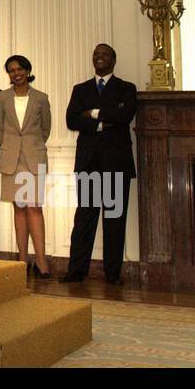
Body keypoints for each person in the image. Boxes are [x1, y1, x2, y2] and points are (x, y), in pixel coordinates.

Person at [62, 43, 138, 285]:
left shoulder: (126, 88)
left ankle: (112, 274)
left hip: (117, 164)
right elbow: (71, 119)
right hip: (89, 164)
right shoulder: (80, 89)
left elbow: (124, 116)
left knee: (115, 220)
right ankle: (76, 271)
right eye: (96, 54)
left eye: (104, 54)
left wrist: (93, 113)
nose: (99, 57)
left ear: (113, 59)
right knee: (84, 218)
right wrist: (105, 120)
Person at [0, 54, 51, 277]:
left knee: (34, 208)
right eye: (12, 70)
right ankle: (22, 261)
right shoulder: (1, 98)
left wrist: (30, 146)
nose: (16, 73)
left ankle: (42, 262)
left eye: (20, 69)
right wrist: (11, 146)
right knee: (18, 208)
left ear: (27, 71)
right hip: (11, 160)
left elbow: (45, 129)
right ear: (9, 74)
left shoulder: (41, 98)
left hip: (34, 159)